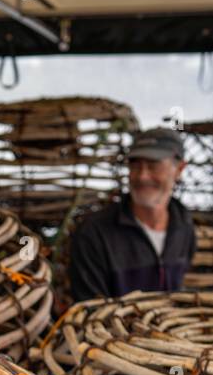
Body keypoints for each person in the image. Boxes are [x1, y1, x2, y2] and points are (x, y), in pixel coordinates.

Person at [68, 127, 196, 302]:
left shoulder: (184, 226)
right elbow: (89, 309)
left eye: (153, 165)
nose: (142, 176)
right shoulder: (94, 234)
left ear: (179, 169)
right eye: (135, 165)